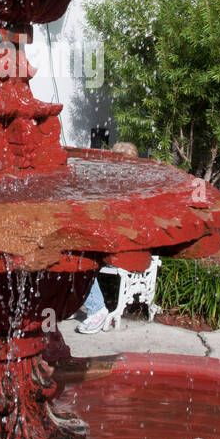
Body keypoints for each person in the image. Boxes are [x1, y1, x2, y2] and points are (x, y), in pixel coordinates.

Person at [77, 140, 140, 333]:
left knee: (80, 258)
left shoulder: (132, 191)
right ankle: (73, 302)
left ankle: (97, 309)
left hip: (124, 249)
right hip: (108, 243)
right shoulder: (111, 187)